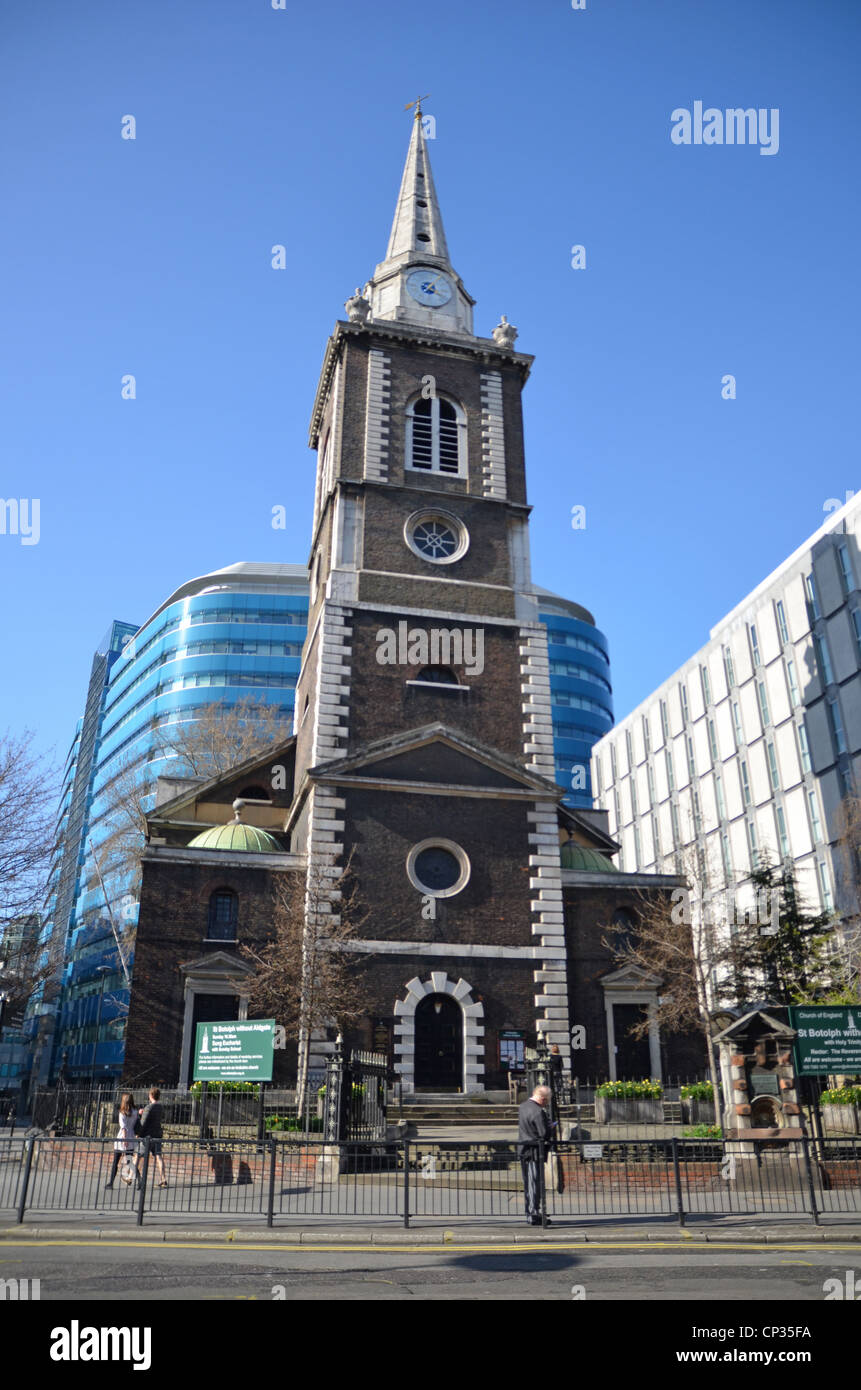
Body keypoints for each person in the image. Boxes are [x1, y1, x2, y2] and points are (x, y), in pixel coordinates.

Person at [518, 1084, 554, 1226]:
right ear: (543, 1099)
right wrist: (550, 1127)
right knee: (534, 1184)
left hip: (524, 1149)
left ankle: (532, 1212)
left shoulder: (523, 1106)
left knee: (529, 1184)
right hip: (533, 1152)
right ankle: (533, 1214)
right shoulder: (538, 1112)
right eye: (548, 1100)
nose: (547, 1103)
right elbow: (543, 1133)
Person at [136, 1086, 167, 1188]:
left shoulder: (149, 1107)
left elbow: (143, 1123)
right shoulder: (160, 1107)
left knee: (138, 1156)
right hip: (157, 1135)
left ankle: (130, 1176)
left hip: (147, 1137)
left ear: (151, 1095)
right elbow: (162, 1118)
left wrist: (138, 1134)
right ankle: (163, 1179)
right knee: (158, 1156)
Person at [105, 1093, 137, 1188]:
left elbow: (123, 1128)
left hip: (122, 1139)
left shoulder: (122, 1112)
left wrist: (124, 1139)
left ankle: (111, 1183)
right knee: (129, 1161)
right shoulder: (134, 1112)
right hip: (131, 1137)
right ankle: (140, 1180)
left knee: (116, 1161)